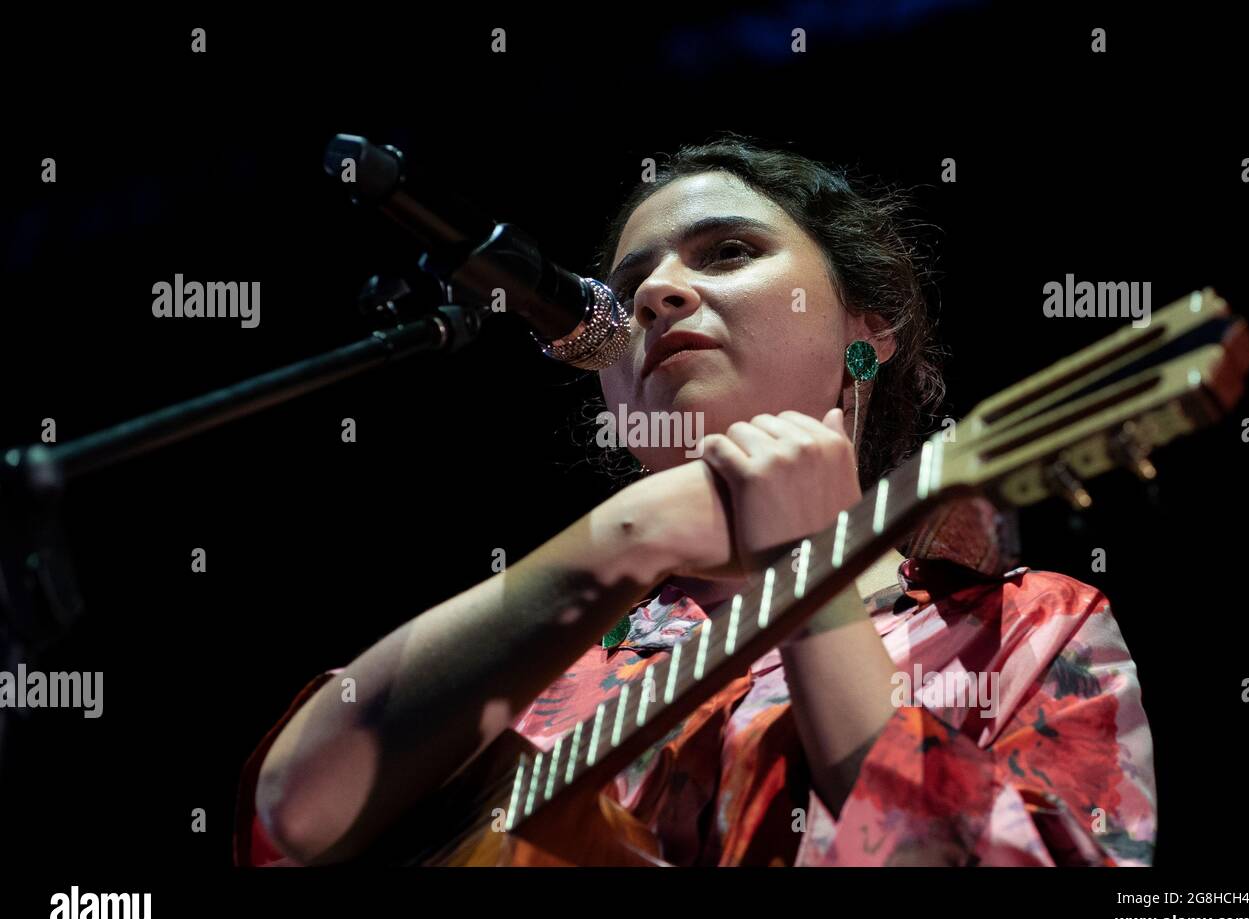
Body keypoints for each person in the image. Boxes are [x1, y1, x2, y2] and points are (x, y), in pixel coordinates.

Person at [235, 136, 1156, 867]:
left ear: (864, 335)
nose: (660, 294)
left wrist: (811, 576)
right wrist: (632, 533)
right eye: (630, 287)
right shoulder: (558, 655)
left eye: (728, 252)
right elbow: (297, 815)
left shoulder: (1026, 626)